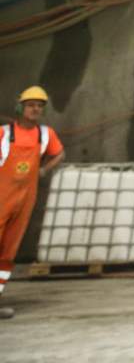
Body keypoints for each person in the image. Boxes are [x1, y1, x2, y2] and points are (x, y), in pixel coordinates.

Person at [0, 86, 66, 319]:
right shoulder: (4, 133)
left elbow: (59, 154)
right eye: (30, 105)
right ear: (20, 108)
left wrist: (43, 170)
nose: (35, 109)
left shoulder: (45, 135)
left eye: (39, 106)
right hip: (1, 198)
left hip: (24, 201)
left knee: (8, 253)